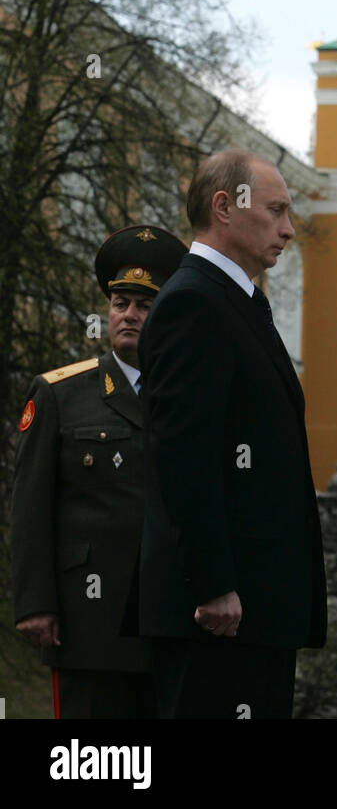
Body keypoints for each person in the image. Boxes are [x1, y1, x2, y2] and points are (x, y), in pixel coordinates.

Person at [136, 148, 327, 719]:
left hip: (254, 609)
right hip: (219, 615)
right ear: (225, 206)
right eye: (276, 211)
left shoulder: (238, 301)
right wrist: (213, 584)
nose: (289, 230)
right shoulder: (194, 303)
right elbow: (183, 457)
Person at [11, 223, 187, 719]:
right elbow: (29, 508)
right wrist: (34, 604)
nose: (130, 315)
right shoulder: (60, 394)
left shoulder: (188, 397)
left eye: (146, 305)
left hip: (171, 620)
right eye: (121, 303)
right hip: (86, 621)